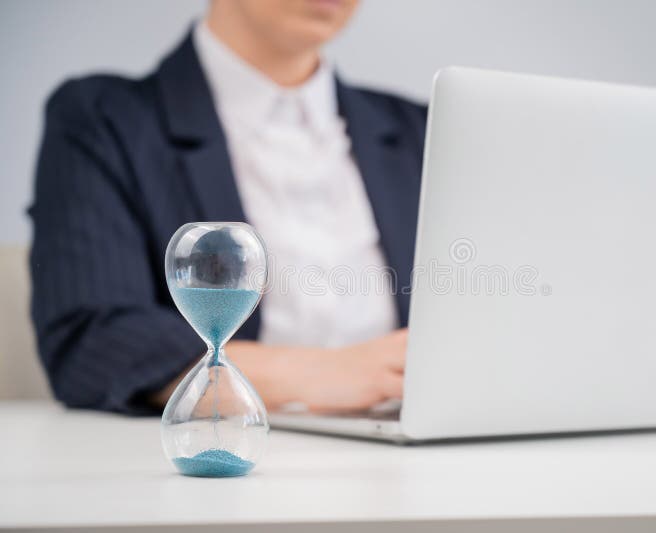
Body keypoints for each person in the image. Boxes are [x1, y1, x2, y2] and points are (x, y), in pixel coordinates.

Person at [28, 0, 425, 414]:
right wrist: (312, 373)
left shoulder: (421, 129)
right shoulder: (106, 120)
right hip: (219, 444)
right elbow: (89, 340)